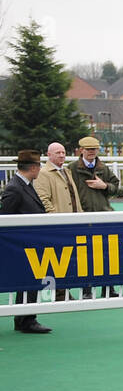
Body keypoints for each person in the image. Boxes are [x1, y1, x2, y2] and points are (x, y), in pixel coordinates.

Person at [1, 151, 52, 333]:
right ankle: (27, 319)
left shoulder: (25, 185)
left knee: (30, 281)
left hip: (29, 243)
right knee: (29, 281)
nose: (40, 169)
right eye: (39, 166)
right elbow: (5, 217)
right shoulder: (15, 188)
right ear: (33, 168)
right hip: (22, 245)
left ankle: (24, 318)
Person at [67, 136, 120, 298]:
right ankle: (87, 290)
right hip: (83, 217)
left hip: (104, 216)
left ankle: (108, 288)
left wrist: (104, 186)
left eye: (94, 149)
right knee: (85, 255)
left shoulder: (103, 169)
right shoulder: (72, 169)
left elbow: (115, 187)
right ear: (81, 150)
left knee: (108, 253)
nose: (91, 152)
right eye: (88, 149)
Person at [33, 142, 82, 214]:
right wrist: (55, 216)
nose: (61, 155)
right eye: (58, 153)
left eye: (63, 153)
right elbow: (43, 199)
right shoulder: (43, 173)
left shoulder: (67, 171)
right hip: (59, 220)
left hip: (74, 218)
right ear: (49, 155)